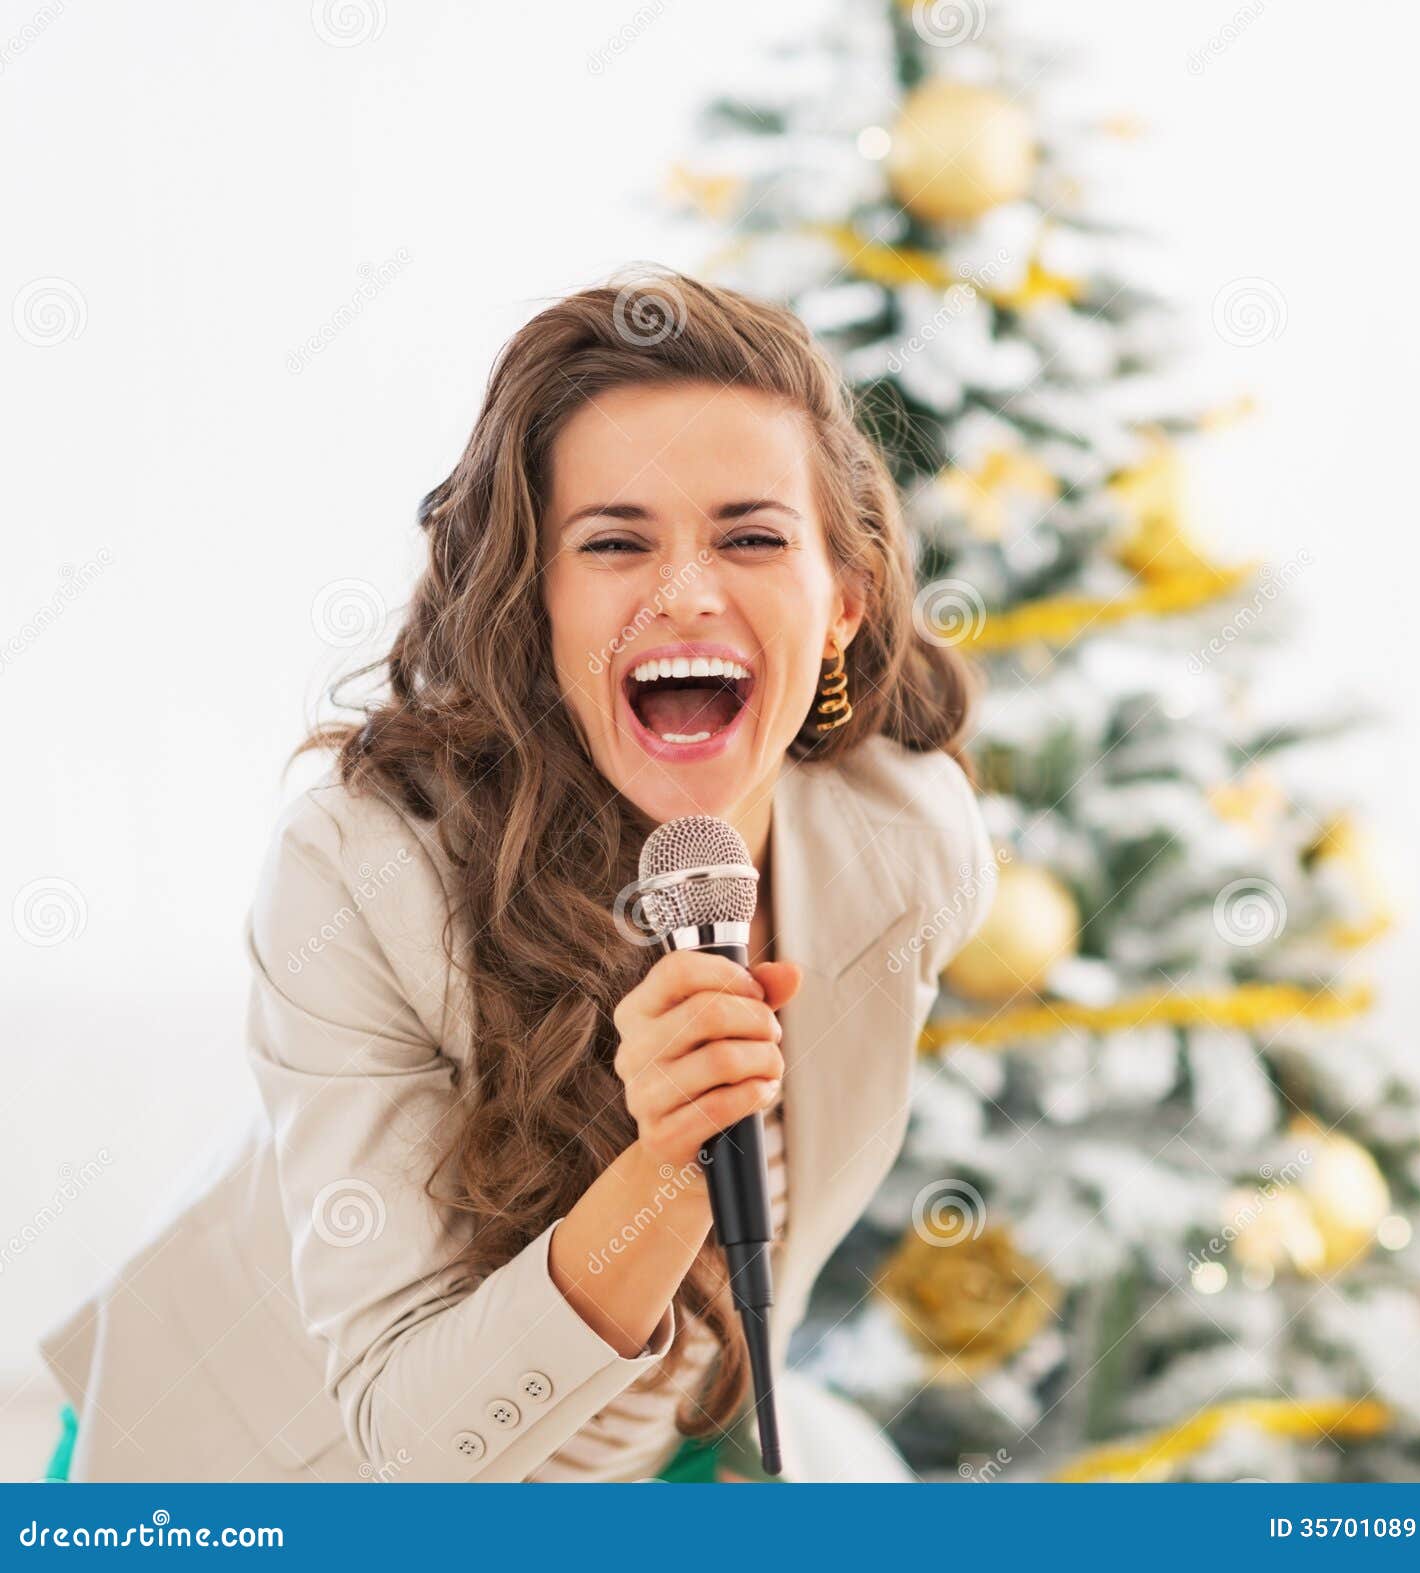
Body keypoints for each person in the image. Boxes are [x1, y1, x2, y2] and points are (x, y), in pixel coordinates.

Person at [39, 269, 997, 1482]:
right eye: (614, 542)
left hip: (662, 1452)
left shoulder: (908, 847)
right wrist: (668, 1167)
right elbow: (414, 1444)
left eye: (752, 536)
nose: (687, 590)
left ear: (844, 601)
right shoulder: (360, 870)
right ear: (535, 601)